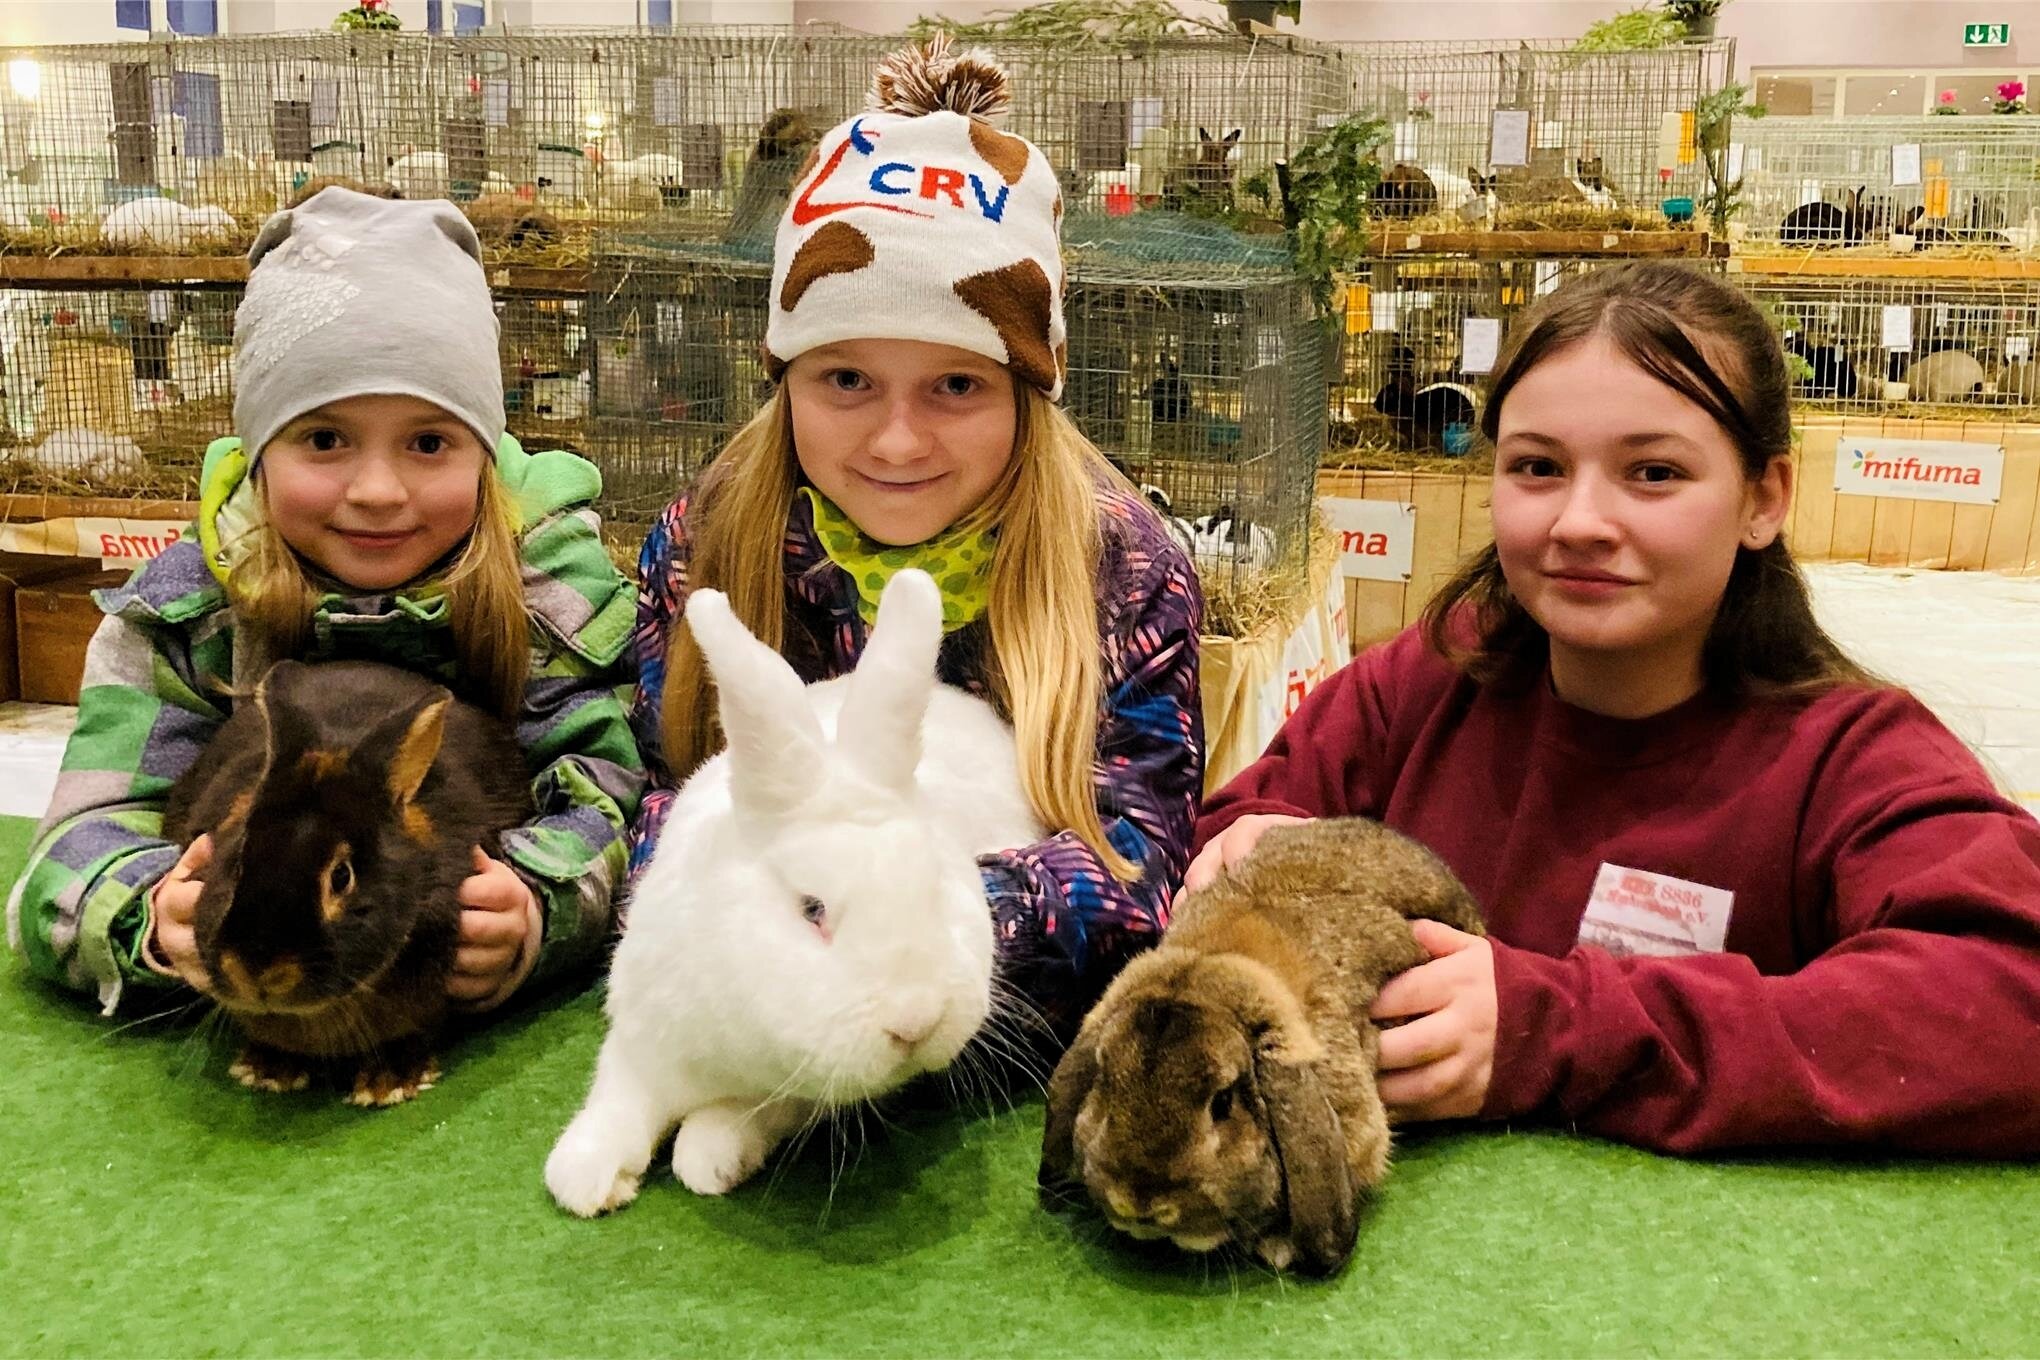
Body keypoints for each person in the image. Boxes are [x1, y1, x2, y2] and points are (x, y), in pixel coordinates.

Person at [1191, 261, 2040, 1156]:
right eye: (1538, 468)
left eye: (1654, 472)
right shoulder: (1433, 679)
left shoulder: (1850, 756)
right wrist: (1247, 847)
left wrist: (1553, 1032)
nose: (1580, 521)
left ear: (1764, 498)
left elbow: (2012, 995)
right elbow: (1243, 820)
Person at [628, 37, 1204, 1032]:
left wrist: (887, 909)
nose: (897, 441)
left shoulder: (1128, 569)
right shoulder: (703, 546)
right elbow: (659, 811)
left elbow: (1139, 868)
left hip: (984, 1045)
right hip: (775, 1032)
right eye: (846, 379)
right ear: (784, 378)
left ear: (1027, 392)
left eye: (958, 384)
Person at [8, 188, 643, 1017]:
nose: (377, 491)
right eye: (324, 439)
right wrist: (144, 913)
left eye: (428, 442)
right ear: (257, 448)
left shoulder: (551, 593)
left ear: (484, 455)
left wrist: (539, 902)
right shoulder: (186, 609)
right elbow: (76, 841)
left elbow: (607, 788)